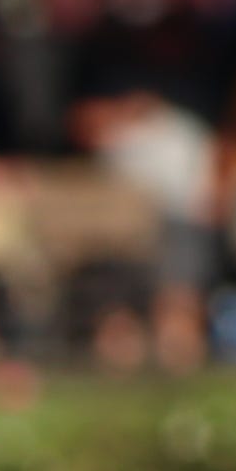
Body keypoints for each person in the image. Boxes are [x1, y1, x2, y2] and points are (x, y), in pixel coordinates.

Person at [70, 87, 216, 374]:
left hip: (180, 225)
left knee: (177, 305)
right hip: (123, 236)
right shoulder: (115, 139)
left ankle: (179, 364)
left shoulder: (183, 130)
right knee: (115, 312)